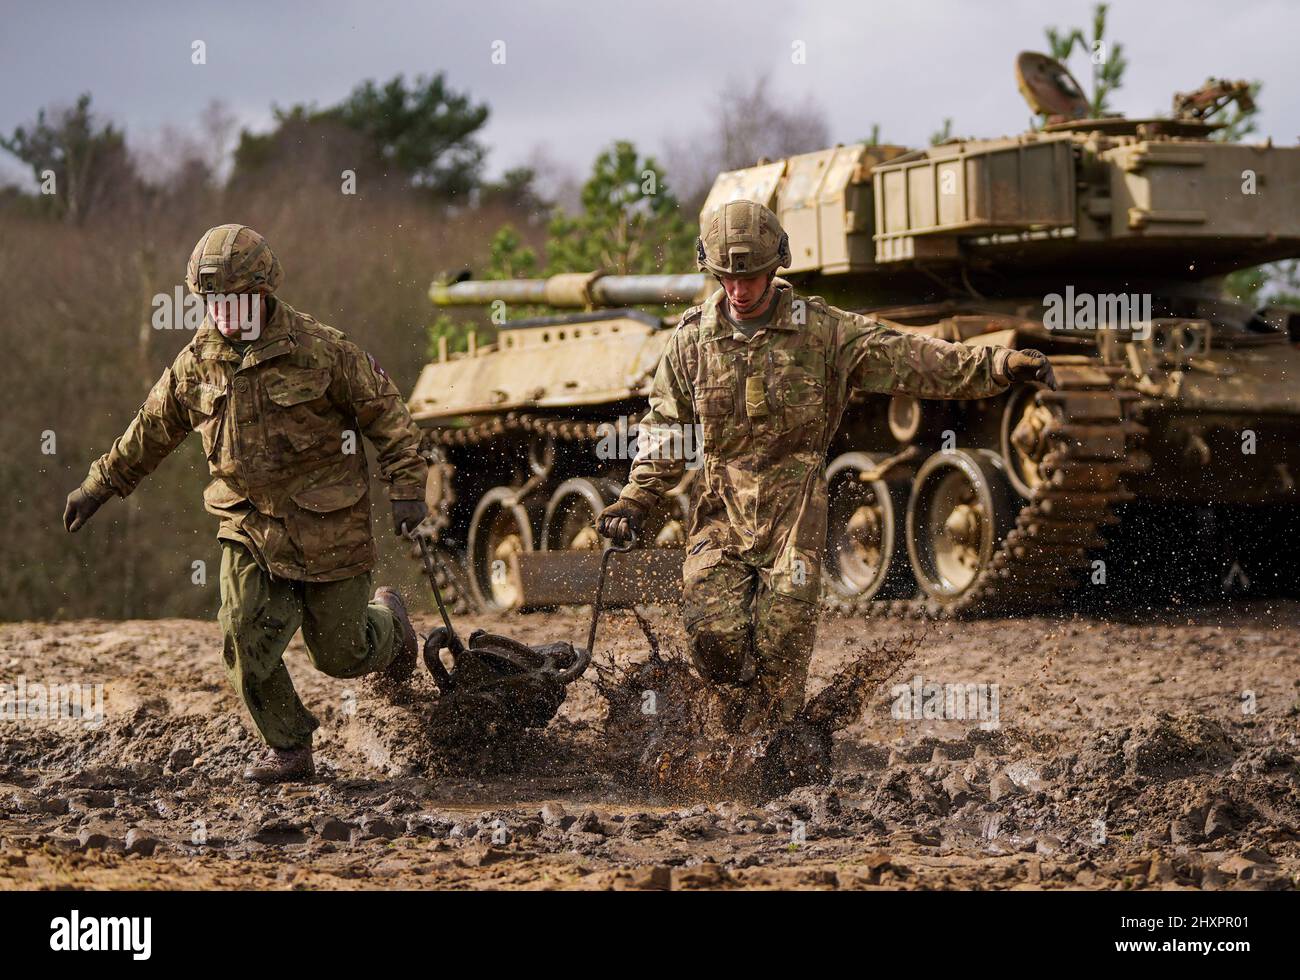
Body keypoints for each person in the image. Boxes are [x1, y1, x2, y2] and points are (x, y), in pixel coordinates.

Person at [598, 200, 1056, 732]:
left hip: (796, 511)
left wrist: (995, 365)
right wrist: (636, 498)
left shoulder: (824, 333)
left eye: (751, 276)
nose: (739, 290)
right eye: (727, 277)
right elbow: (666, 429)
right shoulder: (691, 342)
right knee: (712, 637)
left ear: (776, 267)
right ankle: (730, 715)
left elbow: (908, 356)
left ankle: (774, 747)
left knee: (783, 636)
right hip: (721, 508)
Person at [63, 224, 429, 782]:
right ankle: (289, 749)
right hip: (249, 527)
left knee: (340, 655)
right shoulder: (196, 364)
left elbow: (388, 416)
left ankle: (393, 627)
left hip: (330, 527)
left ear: (263, 292)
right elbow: (151, 430)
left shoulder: (323, 350)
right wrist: (99, 484)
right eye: (211, 301)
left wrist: (406, 487)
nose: (223, 312)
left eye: (234, 299)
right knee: (241, 636)